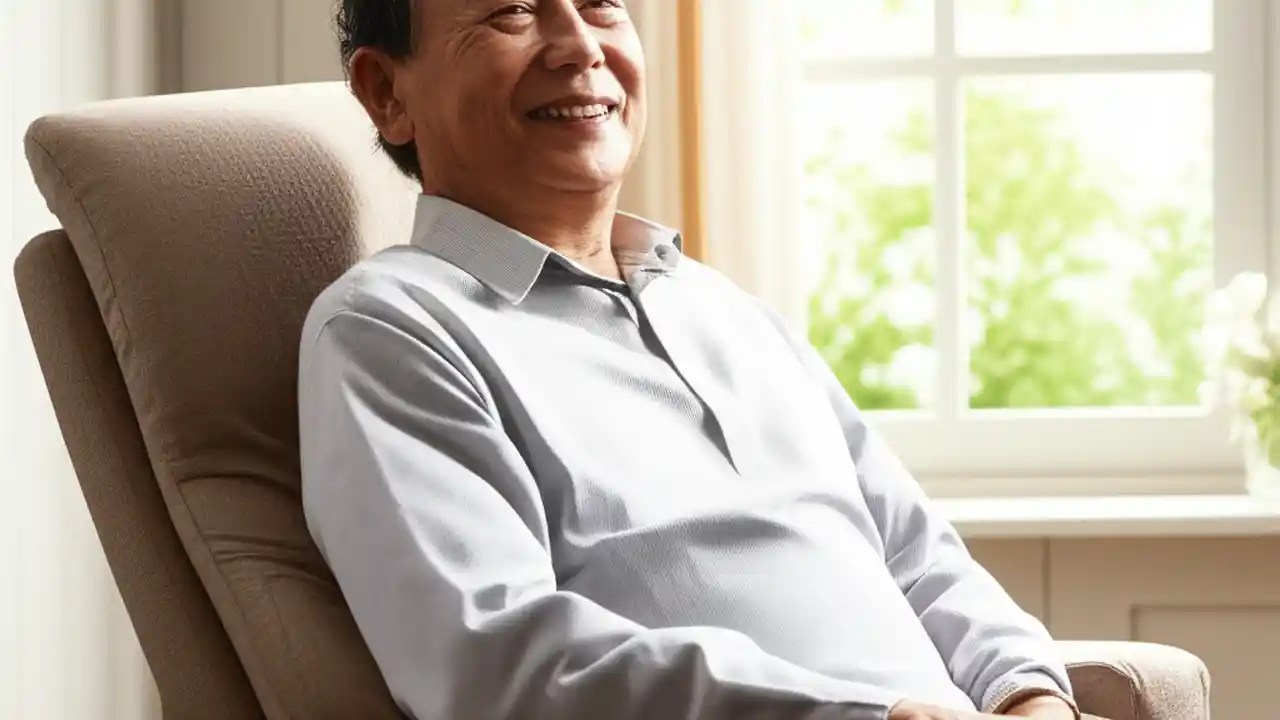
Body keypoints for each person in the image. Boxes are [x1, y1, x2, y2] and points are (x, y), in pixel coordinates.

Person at [298, 1, 1081, 718]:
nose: (579, 46)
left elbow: (920, 560)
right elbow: (492, 661)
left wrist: (1028, 693)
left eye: (602, 4)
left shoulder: (729, 312)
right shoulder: (388, 331)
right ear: (385, 92)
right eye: (512, 12)